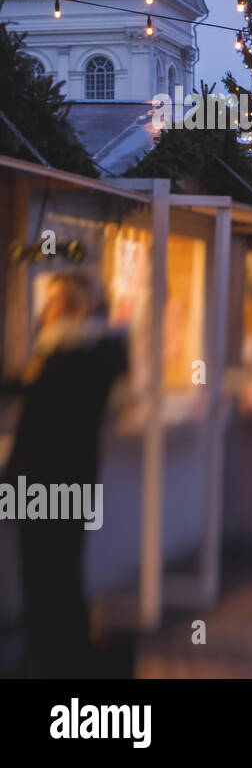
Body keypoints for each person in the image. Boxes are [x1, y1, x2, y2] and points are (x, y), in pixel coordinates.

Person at [2, 273, 128, 678]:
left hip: (41, 481)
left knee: (40, 578)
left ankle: (46, 662)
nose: (46, 313)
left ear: (73, 308)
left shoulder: (63, 355)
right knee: (64, 572)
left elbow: (38, 408)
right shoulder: (96, 353)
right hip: (71, 480)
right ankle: (68, 658)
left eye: (53, 304)